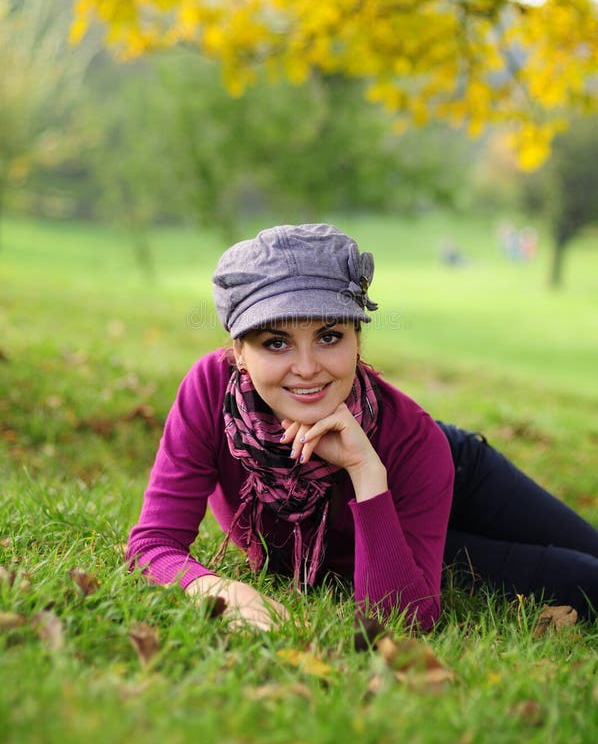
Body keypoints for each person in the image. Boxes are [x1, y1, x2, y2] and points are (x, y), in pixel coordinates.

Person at [127, 224, 598, 631]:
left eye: (329, 336)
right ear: (238, 352)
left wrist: (365, 472)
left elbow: (405, 620)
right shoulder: (211, 391)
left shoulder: (410, 436)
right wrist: (222, 591)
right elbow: (153, 545)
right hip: (382, 536)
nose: (307, 368)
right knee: (576, 577)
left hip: (437, 471)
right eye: (276, 342)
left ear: (357, 340)